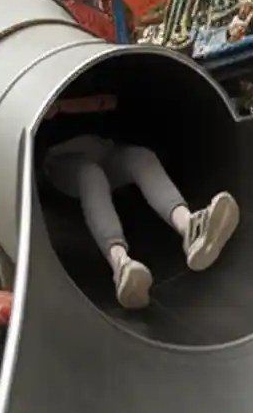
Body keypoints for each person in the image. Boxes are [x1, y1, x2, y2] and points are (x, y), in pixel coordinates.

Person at [40, 95, 240, 310]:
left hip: (102, 147)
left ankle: (190, 227)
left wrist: (60, 107)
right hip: (61, 157)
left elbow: (110, 100)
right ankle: (121, 264)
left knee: (142, 157)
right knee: (91, 175)